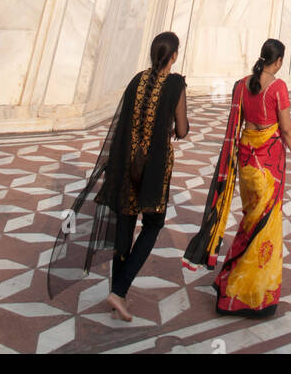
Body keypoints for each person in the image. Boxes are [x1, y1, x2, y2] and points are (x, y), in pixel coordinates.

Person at [48, 31, 189, 321]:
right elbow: (183, 129)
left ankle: (118, 292)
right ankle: (120, 290)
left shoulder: (137, 80)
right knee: (152, 224)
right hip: (154, 169)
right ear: (173, 56)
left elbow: (124, 124)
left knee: (124, 225)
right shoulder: (175, 84)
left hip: (127, 165)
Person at [184, 38, 291, 317]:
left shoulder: (241, 85)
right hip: (268, 166)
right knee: (263, 226)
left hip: (247, 161)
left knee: (251, 220)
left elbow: (237, 125)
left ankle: (231, 279)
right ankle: (246, 292)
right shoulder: (277, 87)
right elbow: (287, 130)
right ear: (278, 61)